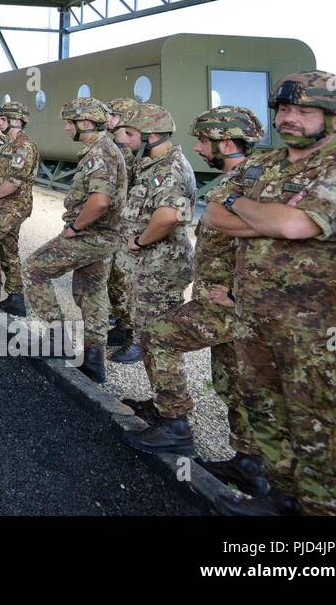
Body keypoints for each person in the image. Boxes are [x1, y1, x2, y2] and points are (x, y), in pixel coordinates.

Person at [202, 71, 336, 516]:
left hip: (317, 329)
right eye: (284, 109)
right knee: (263, 409)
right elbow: (211, 216)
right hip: (254, 313)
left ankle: (327, 511)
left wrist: (243, 208)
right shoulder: (265, 164)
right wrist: (266, 215)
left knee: (315, 424)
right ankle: (282, 497)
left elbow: (296, 224)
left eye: (304, 111)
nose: (289, 119)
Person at [123, 106, 265, 487]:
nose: (199, 147)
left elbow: (273, 245)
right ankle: (251, 465)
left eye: (205, 141)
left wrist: (238, 293)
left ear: (228, 143)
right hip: (226, 300)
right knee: (233, 380)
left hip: (232, 304)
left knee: (157, 335)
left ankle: (175, 423)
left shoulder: (255, 186)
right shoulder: (241, 180)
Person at [21, 97, 127, 380]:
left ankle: (57, 340)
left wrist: (76, 228)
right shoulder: (105, 149)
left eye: (71, 122)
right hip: (104, 238)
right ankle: (94, 360)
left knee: (33, 269)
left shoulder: (99, 153)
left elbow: (100, 201)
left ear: (86, 123)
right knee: (91, 292)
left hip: (90, 235)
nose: (67, 128)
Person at [107, 103, 196, 366]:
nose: (127, 140)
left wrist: (139, 241)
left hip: (163, 261)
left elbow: (169, 216)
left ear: (151, 136)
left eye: (132, 135)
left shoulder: (171, 168)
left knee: (155, 320)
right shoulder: (149, 162)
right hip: (147, 258)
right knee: (137, 302)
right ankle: (133, 336)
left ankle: (140, 346)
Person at [0, 102, 40, 314]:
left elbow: (14, 181)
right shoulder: (9, 143)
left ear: (15, 121)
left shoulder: (24, 146)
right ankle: (16, 298)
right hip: (3, 202)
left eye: (3, 119)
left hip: (15, 205)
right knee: (8, 249)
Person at [103, 97, 141, 347]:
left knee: (127, 277)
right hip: (119, 222)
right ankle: (121, 322)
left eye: (113, 115)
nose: (108, 119)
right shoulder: (113, 145)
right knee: (115, 276)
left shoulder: (130, 151)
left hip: (132, 224)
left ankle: (133, 333)